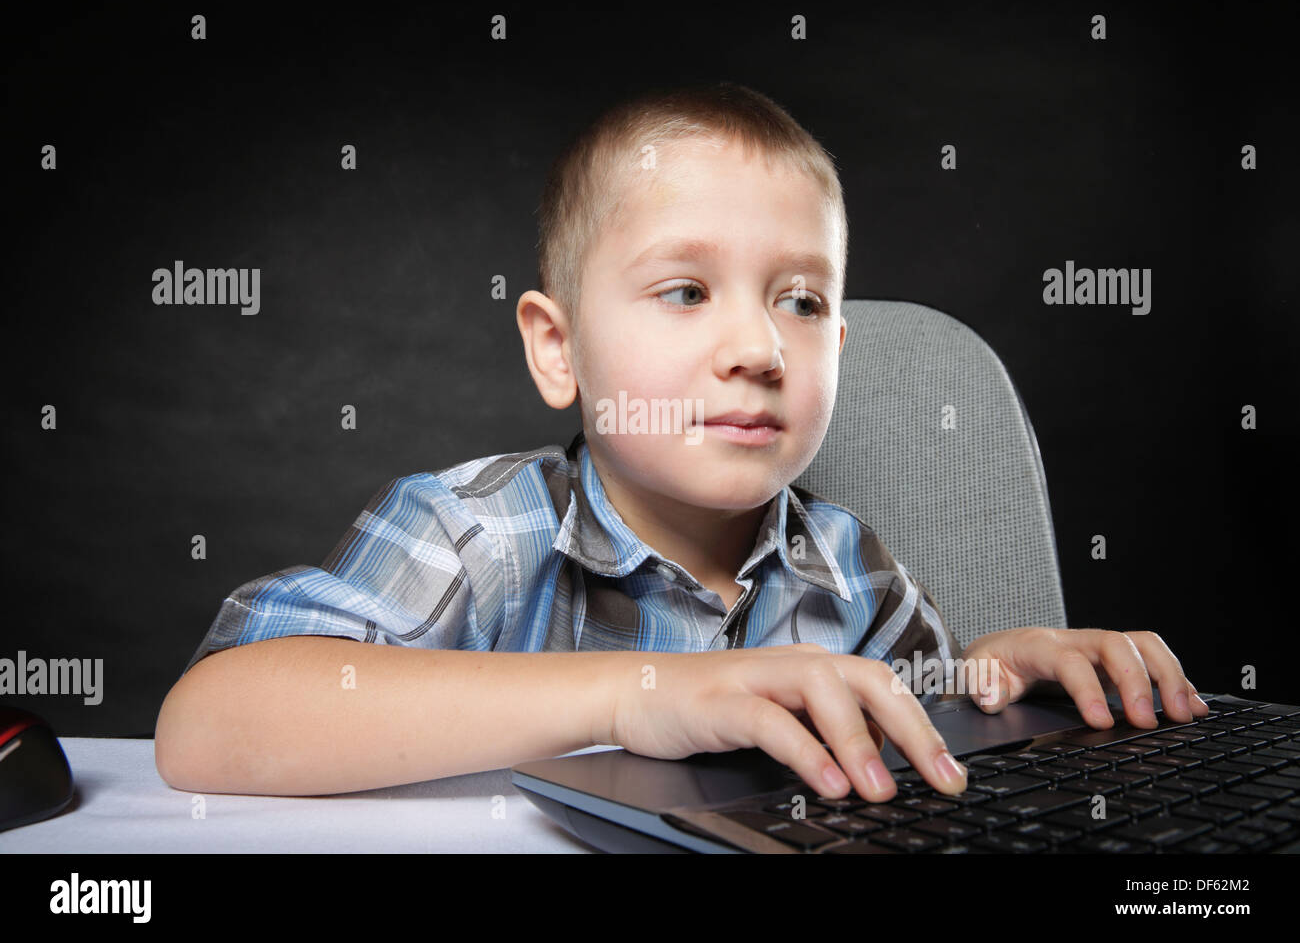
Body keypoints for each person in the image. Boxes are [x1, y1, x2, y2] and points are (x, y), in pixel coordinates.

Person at [154, 81, 1208, 802]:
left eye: (799, 301)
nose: (756, 346)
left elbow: (928, 730)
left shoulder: (853, 576)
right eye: (684, 290)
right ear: (558, 348)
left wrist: (992, 673)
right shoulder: (478, 532)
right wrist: (640, 692)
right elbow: (208, 722)